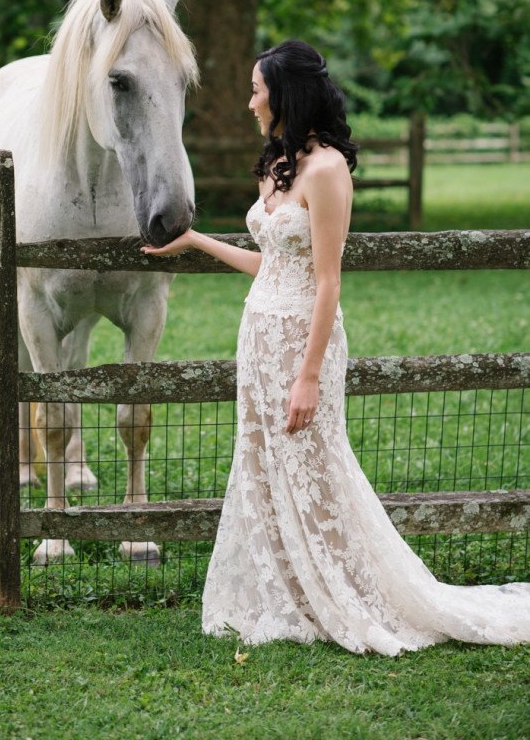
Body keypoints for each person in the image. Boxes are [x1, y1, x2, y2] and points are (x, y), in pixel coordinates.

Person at [142, 39, 530, 656]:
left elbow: (327, 281)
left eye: (256, 90)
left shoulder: (326, 171)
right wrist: (193, 242)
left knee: (317, 467)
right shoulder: (275, 165)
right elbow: (270, 264)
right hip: (258, 338)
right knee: (264, 463)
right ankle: (292, 595)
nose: (249, 102)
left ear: (284, 94)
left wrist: (310, 375)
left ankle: (345, 595)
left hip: (304, 339)